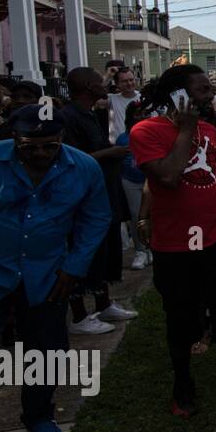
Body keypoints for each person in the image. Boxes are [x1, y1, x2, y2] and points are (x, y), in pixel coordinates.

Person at [130, 66, 216, 428]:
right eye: (201, 89)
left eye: (210, 89)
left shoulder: (210, 131)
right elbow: (167, 176)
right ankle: (183, 384)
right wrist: (185, 130)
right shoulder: (146, 132)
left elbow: (210, 171)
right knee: (182, 320)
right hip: (175, 248)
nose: (210, 95)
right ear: (177, 95)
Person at [0, 106, 111, 432]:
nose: (41, 153)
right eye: (30, 145)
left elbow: (96, 219)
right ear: (15, 138)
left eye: (50, 145)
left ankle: (38, 415)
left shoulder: (84, 167)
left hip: (48, 273)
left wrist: (75, 265)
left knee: (46, 350)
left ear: (61, 138)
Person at [60, 67, 137, 333]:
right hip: (84, 198)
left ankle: (104, 304)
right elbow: (71, 159)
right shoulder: (68, 117)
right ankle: (80, 317)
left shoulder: (91, 113)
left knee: (105, 249)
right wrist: (111, 152)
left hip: (103, 191)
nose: (104, 84)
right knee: (85, 250)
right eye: (97, 81)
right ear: (86, 86)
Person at [118, 99, 152, 269]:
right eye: (138, 114)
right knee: (136, 214)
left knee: (152, 215)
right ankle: (140, 250)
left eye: (145, 113)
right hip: (130, 181)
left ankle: (151, 247)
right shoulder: (123, 138)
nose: (142, 117)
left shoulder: (154, 133)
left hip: (151, 180)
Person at [107, 66, 140, 139]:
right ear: (117, 84)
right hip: (118, 146)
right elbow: (93, 97)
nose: (129, 83)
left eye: (131, 80)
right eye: (124, 81)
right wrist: (107, 76)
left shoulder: (144, 98)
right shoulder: (111, 99)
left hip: (139, 142)